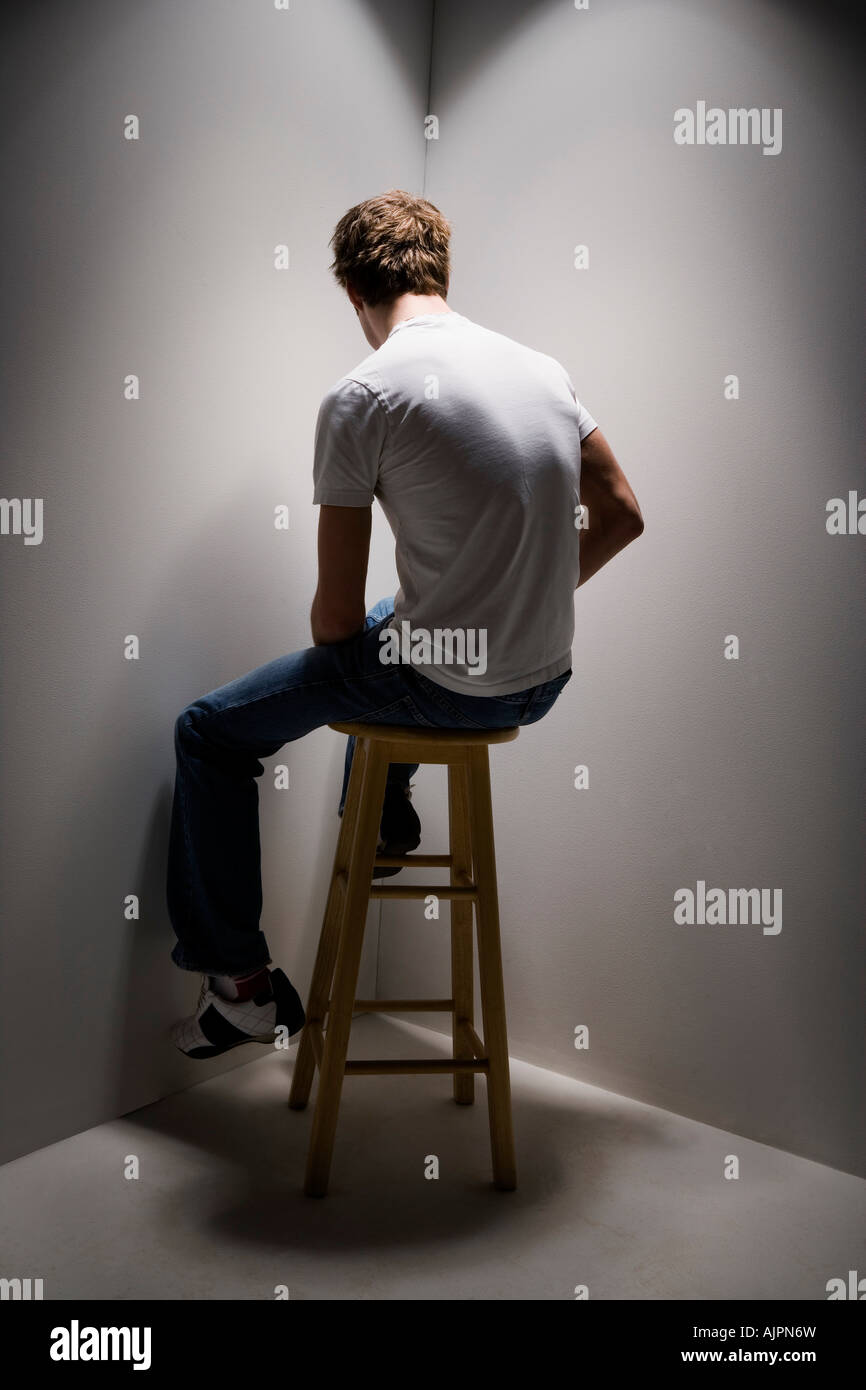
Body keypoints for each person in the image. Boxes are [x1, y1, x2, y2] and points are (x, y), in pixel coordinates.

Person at [168, 189, 644, 1059]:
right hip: (544, 678)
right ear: (441, 273)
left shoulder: (362, 394)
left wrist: (386, 636)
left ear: (354, 294)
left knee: (207, 732)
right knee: (401, 621)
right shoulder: (542, 368)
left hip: (450, 688)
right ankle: (384, 812)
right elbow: (621, 512)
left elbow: (335, 620)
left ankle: (238, 988)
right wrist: (527, 595)